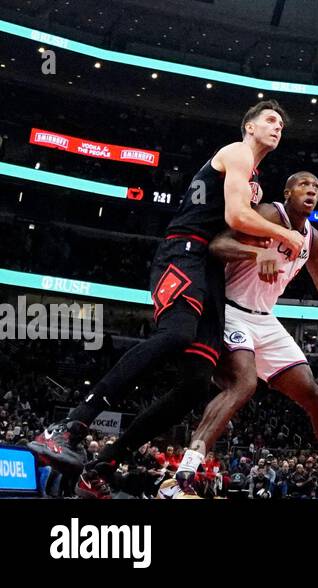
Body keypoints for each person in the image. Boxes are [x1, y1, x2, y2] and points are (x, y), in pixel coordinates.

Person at [29, 101, 302, 479]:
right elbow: (235, 216)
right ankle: (70, 426)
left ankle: (104, 463)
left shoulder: (254, 179)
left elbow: (229, 237)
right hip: (184, 251)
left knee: (194, 386)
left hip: (211, 271)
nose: (277, 129)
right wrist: (281, 234)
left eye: (282, 126)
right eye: (270, 121)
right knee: (175, 333)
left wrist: (261, 252)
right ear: (249, 127)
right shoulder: (236, 152)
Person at [171, 171, 318, 498]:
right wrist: (259, 253)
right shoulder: (271, 214)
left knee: (314, 395)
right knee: (244, 383)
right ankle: (186, 470)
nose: (311, 190)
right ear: (288, 192)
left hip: (265, 319)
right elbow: (219, 245)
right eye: (304, 184)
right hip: (230, 310)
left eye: (317, 186)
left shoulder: (314, 240)